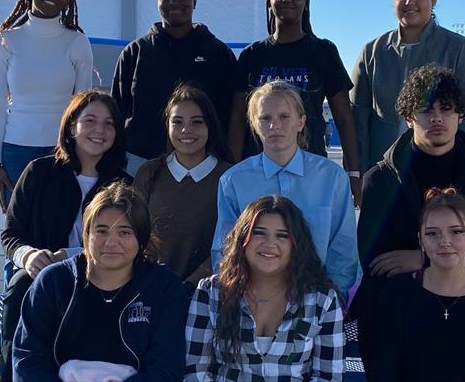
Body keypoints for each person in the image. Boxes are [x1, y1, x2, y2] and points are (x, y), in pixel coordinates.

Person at [350, 64, 465, 365]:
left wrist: (422, 259)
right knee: (377, 298)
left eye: (446, 108)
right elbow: (374, 260)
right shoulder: (380, 181)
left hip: (464, 299)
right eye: (426, 109)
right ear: (409, 118)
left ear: (460, 115)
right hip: (400, 303)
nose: (437, 117)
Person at [0, 91, 129, 382]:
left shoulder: (122, 185)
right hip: (41, 274)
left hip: (101, 275)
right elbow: (11, 234)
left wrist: (71, 257)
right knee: (20, 285)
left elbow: (130, 241)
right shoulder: (38, 172)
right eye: (90, 121)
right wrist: (29, 256)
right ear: (72, 127)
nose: (100, 130)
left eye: (109, 124)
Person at [13, 182, 189, 381]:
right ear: (86, 235)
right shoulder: (53, 282)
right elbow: (27, 360)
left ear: (141, 238)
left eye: (124, 232)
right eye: (102, 231)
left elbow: (166, 370)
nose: (111, 242)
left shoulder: (164, 288)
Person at [212, 81, 358, 301]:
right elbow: (224, 251)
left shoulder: (332, 178)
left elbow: (343, 251)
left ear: (301, 122)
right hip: (252, 302)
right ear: (254, 124)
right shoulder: (233, 181)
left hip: (316, 301)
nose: (274, 125)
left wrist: (328, 302)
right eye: (265, 118)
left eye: (284, 117)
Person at [226, 0, 362, 205]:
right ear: (269, 2)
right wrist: (232, 170)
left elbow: (343, 116)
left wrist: (353, 172)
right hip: (259, 169)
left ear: (306, 3)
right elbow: (238, 119)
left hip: (310, 168)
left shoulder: (323, 51)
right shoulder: (252, 55)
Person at [367, 187, 465, 381]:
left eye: (456, 231)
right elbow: (384, 371)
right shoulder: (397, 293)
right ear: (420, 240)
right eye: (433, 233)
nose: (445, 242)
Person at [186, 195, 344, 381]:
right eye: (259, 232)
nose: (270, 243)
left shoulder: (323, 299)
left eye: (282, 235)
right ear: (242, 239)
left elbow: (329, 377)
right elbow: (195, 372)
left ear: (297, 245)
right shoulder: (210, 292)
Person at [350, 0, 465, 173]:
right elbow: (357, 116)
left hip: (443, 171)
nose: (409, 2)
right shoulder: (372, 52)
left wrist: (464, 168)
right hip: (383, 171)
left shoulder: (459, 49)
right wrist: (357, 170)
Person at [111, 0, 237, 176]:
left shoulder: (218, 53)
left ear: (194, 1)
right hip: (138, 166)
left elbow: (230, 115)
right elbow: (116, 112)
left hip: (201, 167)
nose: (174, 2)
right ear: (157, 1)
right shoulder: (135, 52)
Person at [0, 0, 93, 213]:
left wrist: (83, 158)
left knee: (60, 227)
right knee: (19, 229)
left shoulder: (77, 42)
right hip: (15, 151)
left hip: (62, 151)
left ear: (67, 0)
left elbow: (83, 108)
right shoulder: (6, 41)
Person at [133, 84, 232, 285]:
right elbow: (133, 232)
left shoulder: (229, 177)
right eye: (177, 122)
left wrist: (188, 287)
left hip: (206, 293)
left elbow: (229, 245)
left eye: (196, 122)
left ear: (210, 126)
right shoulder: (148, 173)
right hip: (150, 288)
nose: (186, 130)